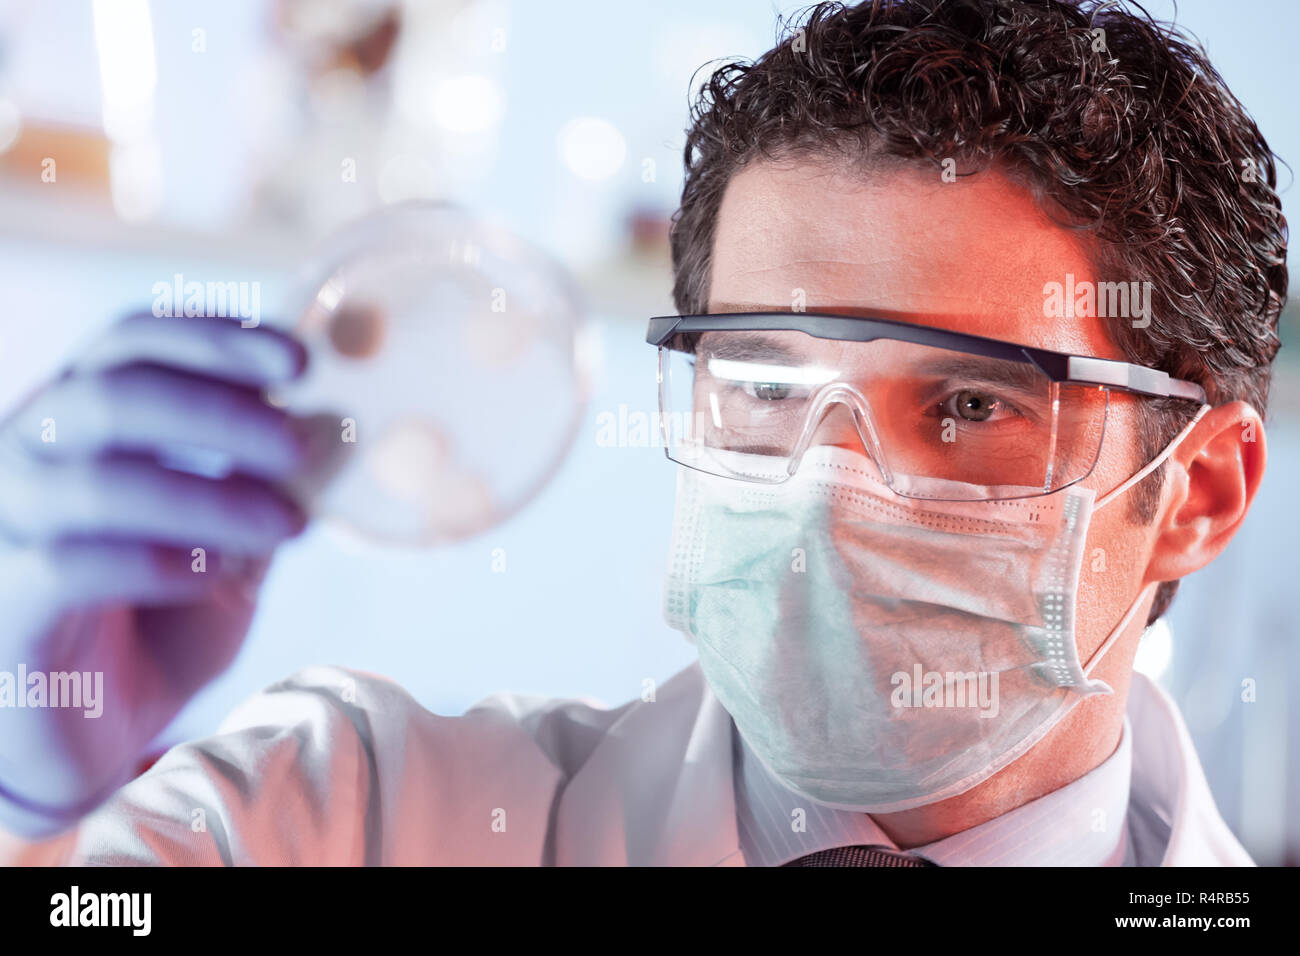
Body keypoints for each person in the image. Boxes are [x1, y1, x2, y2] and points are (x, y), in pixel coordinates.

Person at [0, 0, 1285, 866]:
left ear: (1201, 489)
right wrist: (32, 788)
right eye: (767, 385)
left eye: (967, 404)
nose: (824, 493)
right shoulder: (354, 809)